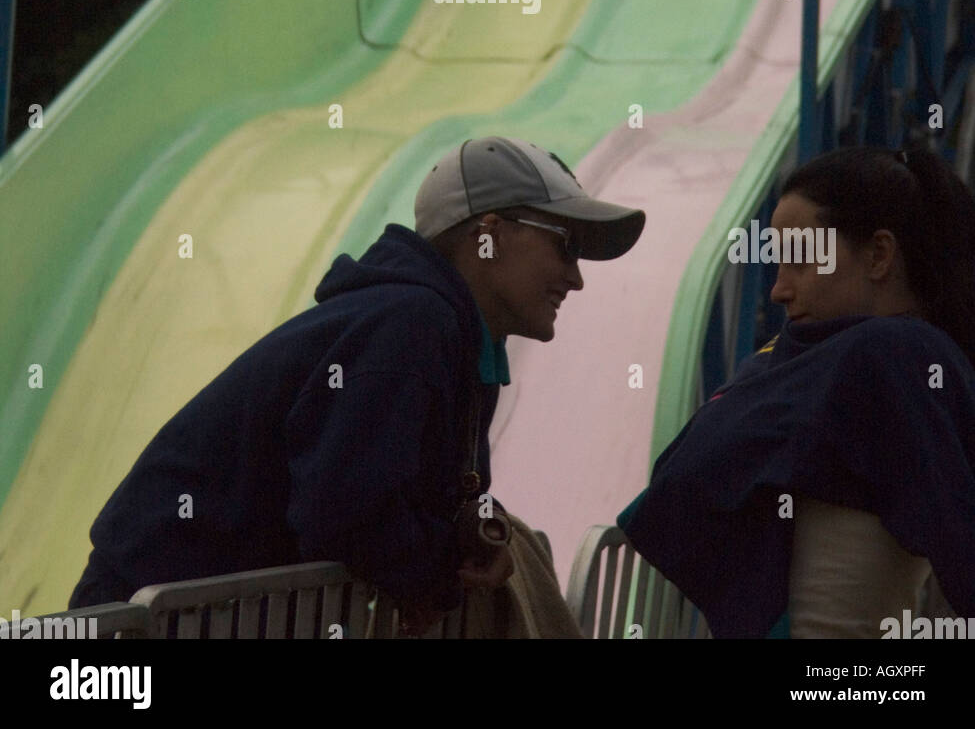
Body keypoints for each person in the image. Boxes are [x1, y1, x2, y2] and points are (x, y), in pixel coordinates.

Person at [68, 134, 645, 635]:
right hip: (145, 624)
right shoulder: (409, 323)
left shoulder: (459, 341)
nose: (575, 278)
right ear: (486, 236)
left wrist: (470, 537)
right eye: (564, 245)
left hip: (197, 616)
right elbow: (344, 508)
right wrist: (439, 578)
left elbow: (416, 496)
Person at [617, 143, 975, 639]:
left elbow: (958, 535)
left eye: (800, 261)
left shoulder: (894, 353)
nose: (778, 290)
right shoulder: (822, 357)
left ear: (878, 256)